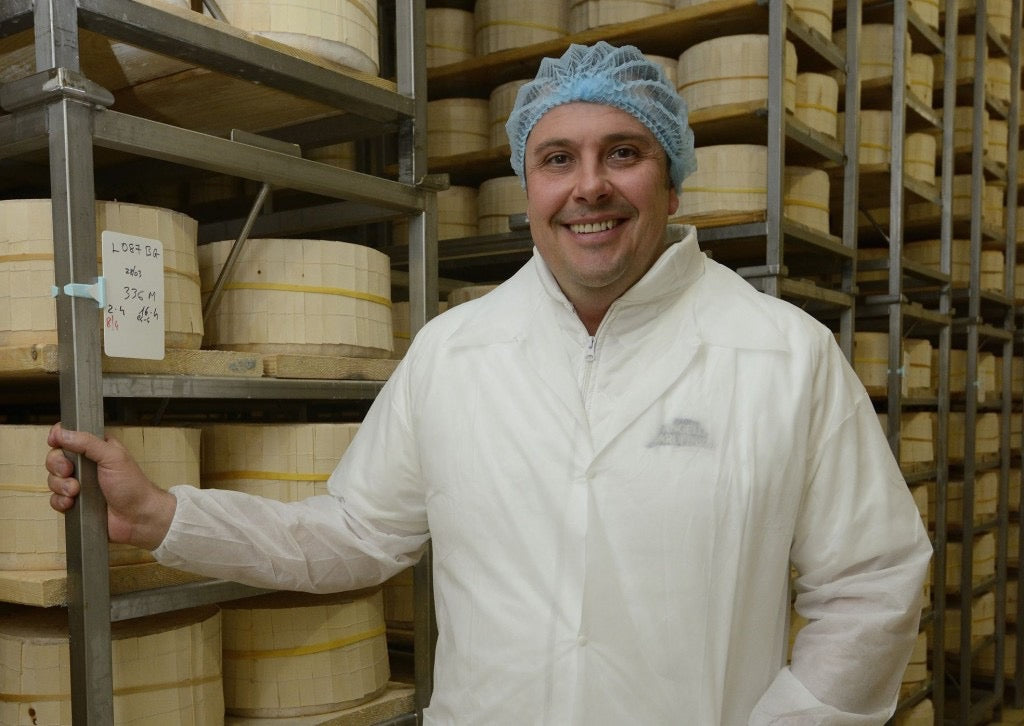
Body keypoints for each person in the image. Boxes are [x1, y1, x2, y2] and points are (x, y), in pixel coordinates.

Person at [47, 41, 931, 724]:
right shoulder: (454, 352)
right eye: (558, 159)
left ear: (671, 180)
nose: (589, 187)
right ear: (526, 186)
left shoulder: (782, 355)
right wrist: (165, 519)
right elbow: (356, 532)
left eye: (622, 153)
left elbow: (872, 582)